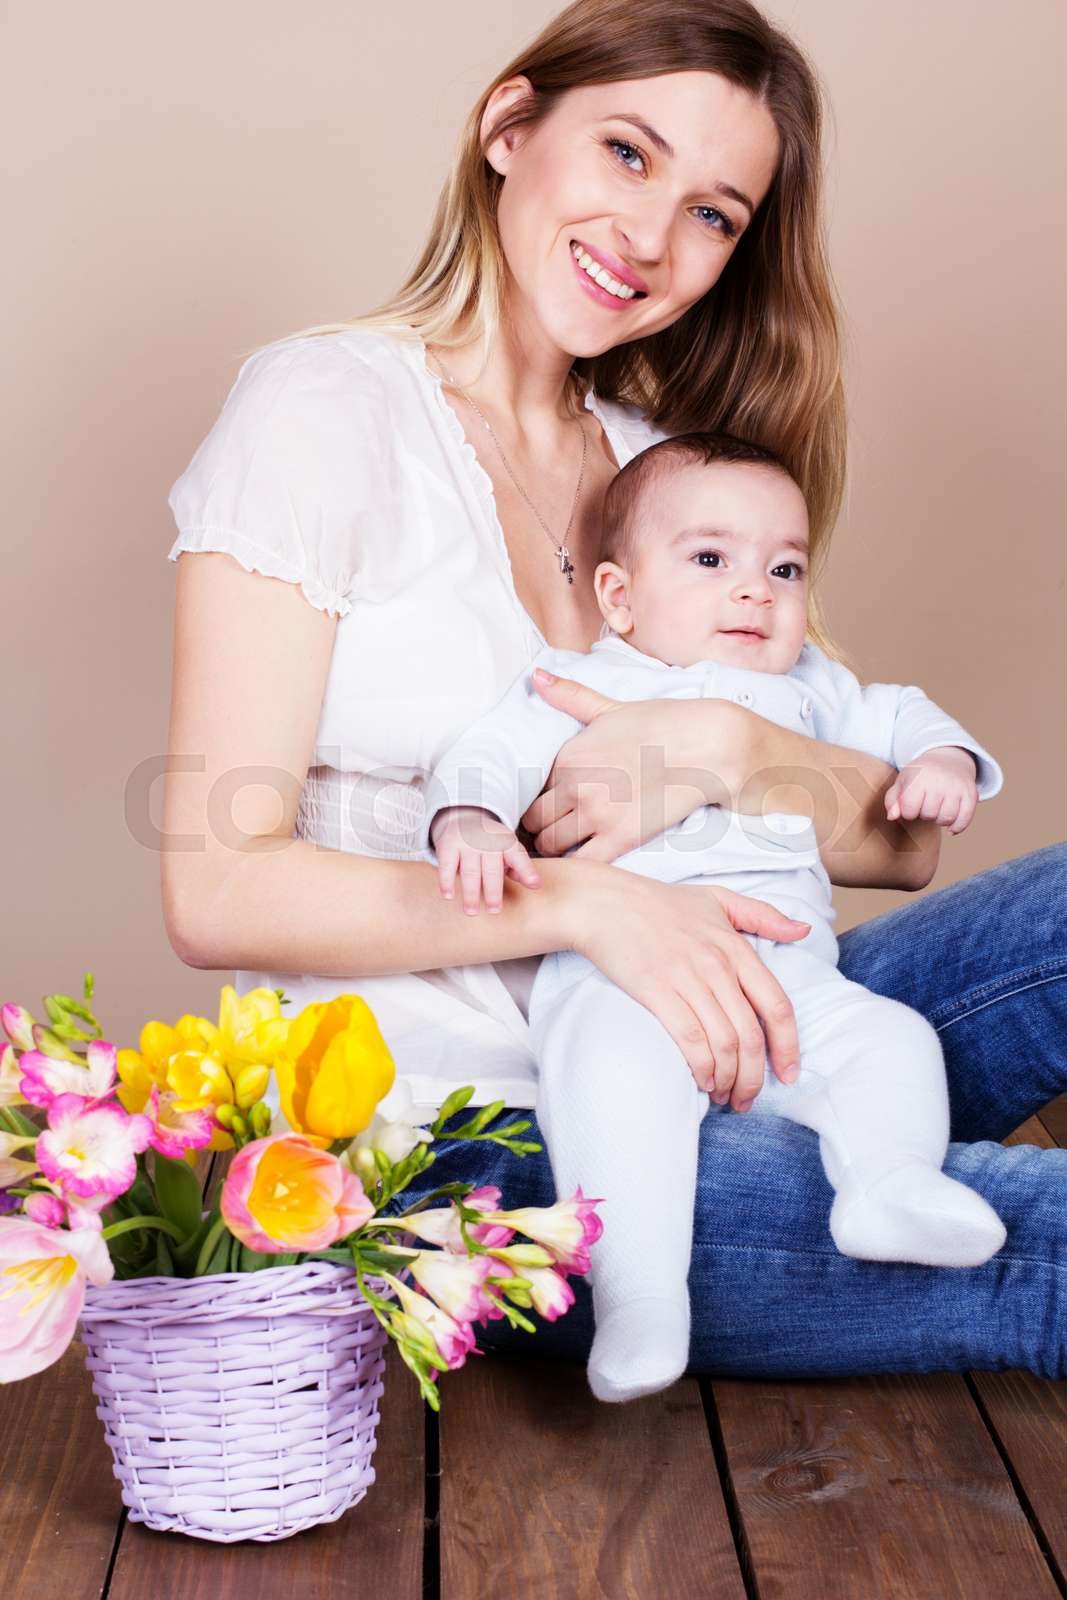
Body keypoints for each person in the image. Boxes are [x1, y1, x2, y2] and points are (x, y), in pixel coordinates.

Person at [163, 0, 1067, 1381]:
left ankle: (867, 1162)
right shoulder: (322, 408)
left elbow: (894, 837)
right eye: (627, 154)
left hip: (758, 1008)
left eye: (712, 211)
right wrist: (589, 901)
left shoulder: (667, 474)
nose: (650, 240)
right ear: (508, 127)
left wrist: (712, 741)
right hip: (464, 1133)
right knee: (1043, 1248)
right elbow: (214, 893)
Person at [422, 431, 1008, 1401]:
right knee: (612, 1088)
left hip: (787, 984)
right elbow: (486, 755)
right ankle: (640, 1303)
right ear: (618, 596)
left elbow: (898, 713)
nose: (755, 591)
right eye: (709, 561)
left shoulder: (808, 688)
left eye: (784, 567)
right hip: (620, 982)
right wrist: (471, 821)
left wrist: (942, 761)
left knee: (889, 1042)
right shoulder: (586, 680)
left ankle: (886, 1184)